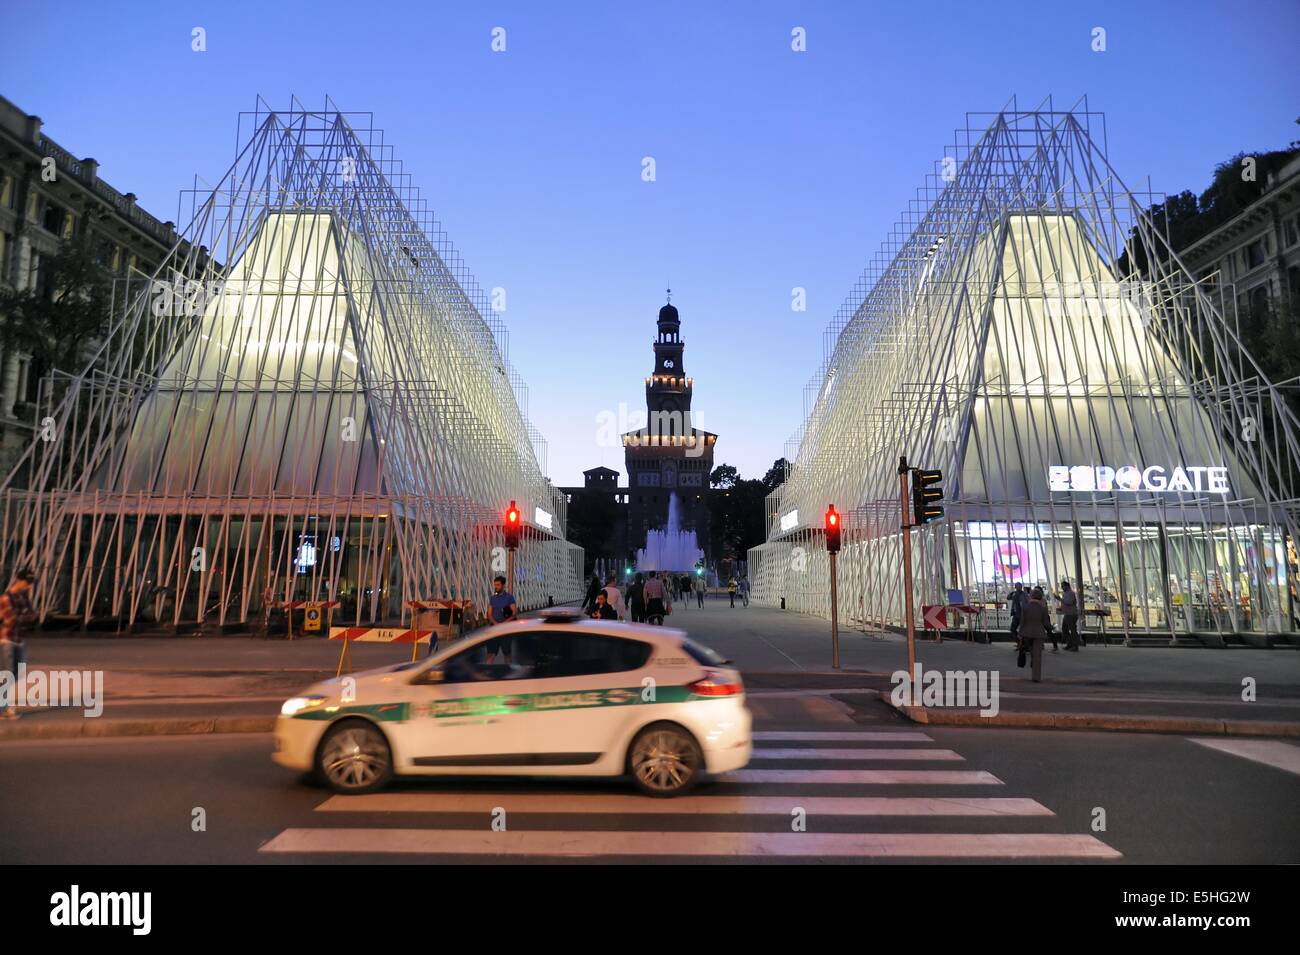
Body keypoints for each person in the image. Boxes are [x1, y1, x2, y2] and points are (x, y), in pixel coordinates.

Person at [0, 569, 37, 720]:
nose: (29, 586)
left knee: (19, 673)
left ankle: (4, 706)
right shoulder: (5, 598)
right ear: (19, 581)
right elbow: (11, 620)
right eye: (27, 582)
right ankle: (3, 709)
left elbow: (33, 615)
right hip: (6, 639)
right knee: (6, 674)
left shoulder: (23, 597)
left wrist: (23, 617)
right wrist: (25, 616)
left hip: (19, 640)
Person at [1018, 586, 1049, 682]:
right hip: (1039, 633)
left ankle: (1031, 660)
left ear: (1031, 596)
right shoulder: (1043, 608)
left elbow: (1022, 621)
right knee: (1037, 656)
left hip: (1026, 633)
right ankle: (1036, 677)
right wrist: (1049, 629)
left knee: (1029, 651)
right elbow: (1045, 622)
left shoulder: (1025, 607)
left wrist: (1020, 633)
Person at [484, 575, 517, 664]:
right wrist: (496, 624)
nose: (496, 587)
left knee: (507, 654)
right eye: (495, 585)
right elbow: (489, 614)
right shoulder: (492, 598)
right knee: (490, 654)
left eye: (498, 585)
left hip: (506, 630)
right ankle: (487, 671)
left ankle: (509, 670)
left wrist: (503, 624)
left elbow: (514, 613)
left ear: (503, 585)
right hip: (494, 628)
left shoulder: (509, 597)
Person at [1059, 580, 1081, 651]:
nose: (1062, 588)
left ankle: (1075, 645)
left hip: (1071, 614)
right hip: (1067, 613)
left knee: (1072, 630)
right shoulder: (1065, 593)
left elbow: (1069, 602)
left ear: (1067, 586)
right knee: (1064, 629)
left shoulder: (1070, 593)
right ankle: (1070, 644)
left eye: (1063, 586)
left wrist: (1060, 599)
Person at [1007, 582, 1026, 651]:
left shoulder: (1024, 594)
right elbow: (1008, 598)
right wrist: (1011, 593)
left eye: (1019, 586)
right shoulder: (1014, 594)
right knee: (1012, 629)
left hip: (1022, 615)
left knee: (1023, 631)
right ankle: (1019, 643)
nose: (1018, 588)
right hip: (1016, 614)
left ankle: (1023, 645)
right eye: (1017, 586)